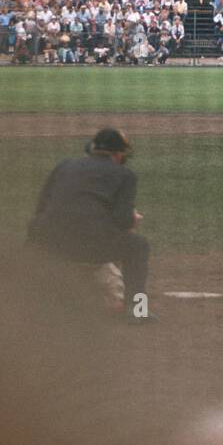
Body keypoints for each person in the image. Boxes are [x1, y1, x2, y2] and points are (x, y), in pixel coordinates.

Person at [27, 128, 153, 322]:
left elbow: (41, 208)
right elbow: (122, 221)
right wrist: (132, 219)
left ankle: (26, 299)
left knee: (37, 226)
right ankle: (137, 310)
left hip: (47, 242)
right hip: (88, 245)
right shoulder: (125, 175)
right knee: (139, 246)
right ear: (119, 154)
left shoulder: (64, 165)